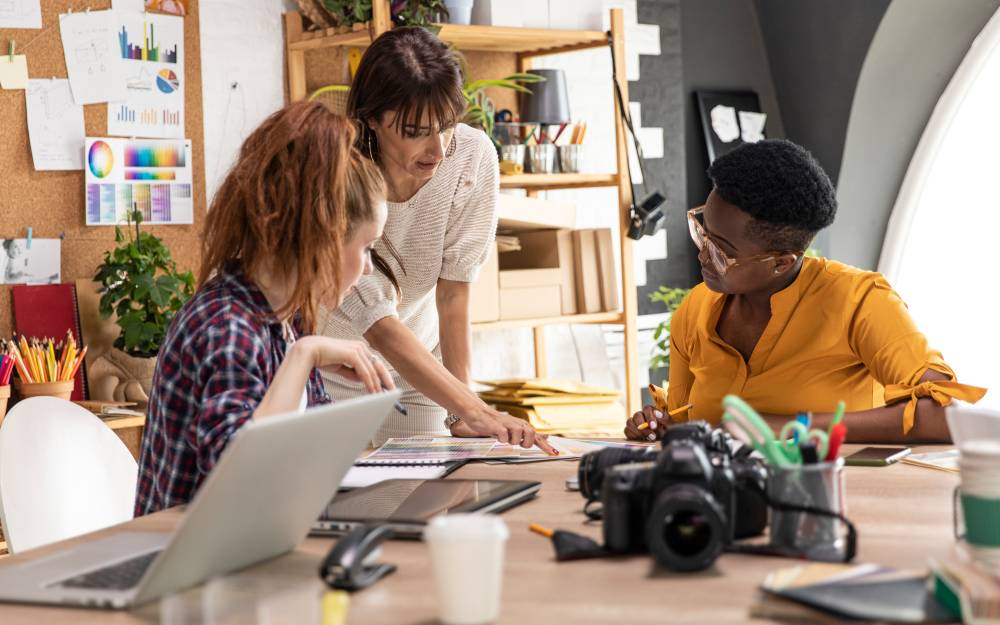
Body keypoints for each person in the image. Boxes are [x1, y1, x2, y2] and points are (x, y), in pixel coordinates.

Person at [625, 139, 986, 443]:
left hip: (838, 503)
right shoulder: (695, 311)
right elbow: (685, 422)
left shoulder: (859, 302)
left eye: (721, 250)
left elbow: (945, 416)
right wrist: (661, 428)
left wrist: (793, 427)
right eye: (701, 231)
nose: (702, 252)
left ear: (782, 262)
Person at [135, 102, 396, 515]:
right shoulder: (226, 328)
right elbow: (242, 480)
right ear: (321, 234)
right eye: (365, 247)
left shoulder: (282, 318)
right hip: (185, 567)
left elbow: (301, 462)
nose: (367, 269)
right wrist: (305, 355)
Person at [321, 27, 555, 454]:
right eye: (414, 130)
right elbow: (377, 322)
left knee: (424, 499)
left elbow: (453, 292)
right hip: (334, 362)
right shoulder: (338, 173)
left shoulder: (472, 156)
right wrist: (478, 409)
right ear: (372, 118)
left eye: (446, 125)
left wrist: (461, 409)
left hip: (422, 364)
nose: (438, 147)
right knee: (337, 507)